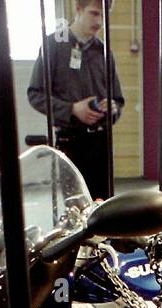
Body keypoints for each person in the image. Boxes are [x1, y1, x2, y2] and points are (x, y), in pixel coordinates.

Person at [28, 0, 124, 200]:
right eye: (95, 13)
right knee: (76, 205)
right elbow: (36, 94)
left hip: (101, 143)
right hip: (71, 142)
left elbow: (118, 99)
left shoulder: (105, 52)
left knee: (104, 206)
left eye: (105, 15)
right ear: (78, 9)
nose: (100, 21)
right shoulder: (53, 46)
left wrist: (112, 109)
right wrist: (72, 109)